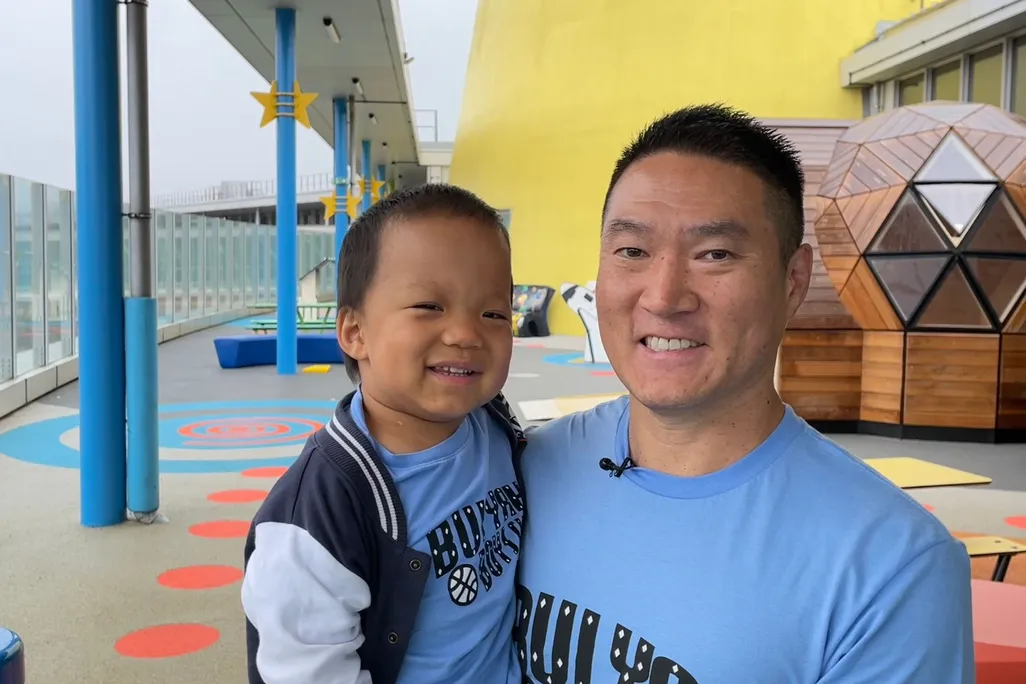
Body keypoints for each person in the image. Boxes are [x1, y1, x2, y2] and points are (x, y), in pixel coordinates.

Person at [513, 105, 974, 683]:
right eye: (632, 251)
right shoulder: (523, 469)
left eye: (716, 255)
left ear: (793, 280)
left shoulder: (891, 566)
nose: (664, 295)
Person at [241, 184, 528, 684]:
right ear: (355, 332)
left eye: (493, 313)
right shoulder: (316, 516)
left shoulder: (493, 427)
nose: (465, 333)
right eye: (428, 306)